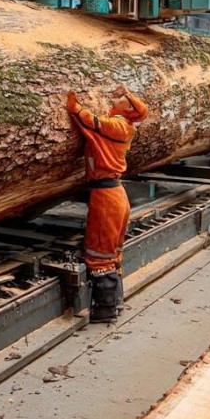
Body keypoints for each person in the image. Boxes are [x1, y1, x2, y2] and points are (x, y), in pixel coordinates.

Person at [66, 85, 148, 324]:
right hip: (114, 193)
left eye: (126, 99)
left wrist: (74, 105)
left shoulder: (118, 126)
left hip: (107, 197)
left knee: (99, 254)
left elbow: (91, 120)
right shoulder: (121, 124)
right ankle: (116, 303)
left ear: (130, 109)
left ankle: (105, 309)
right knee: (113, 253)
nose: (121, 98)